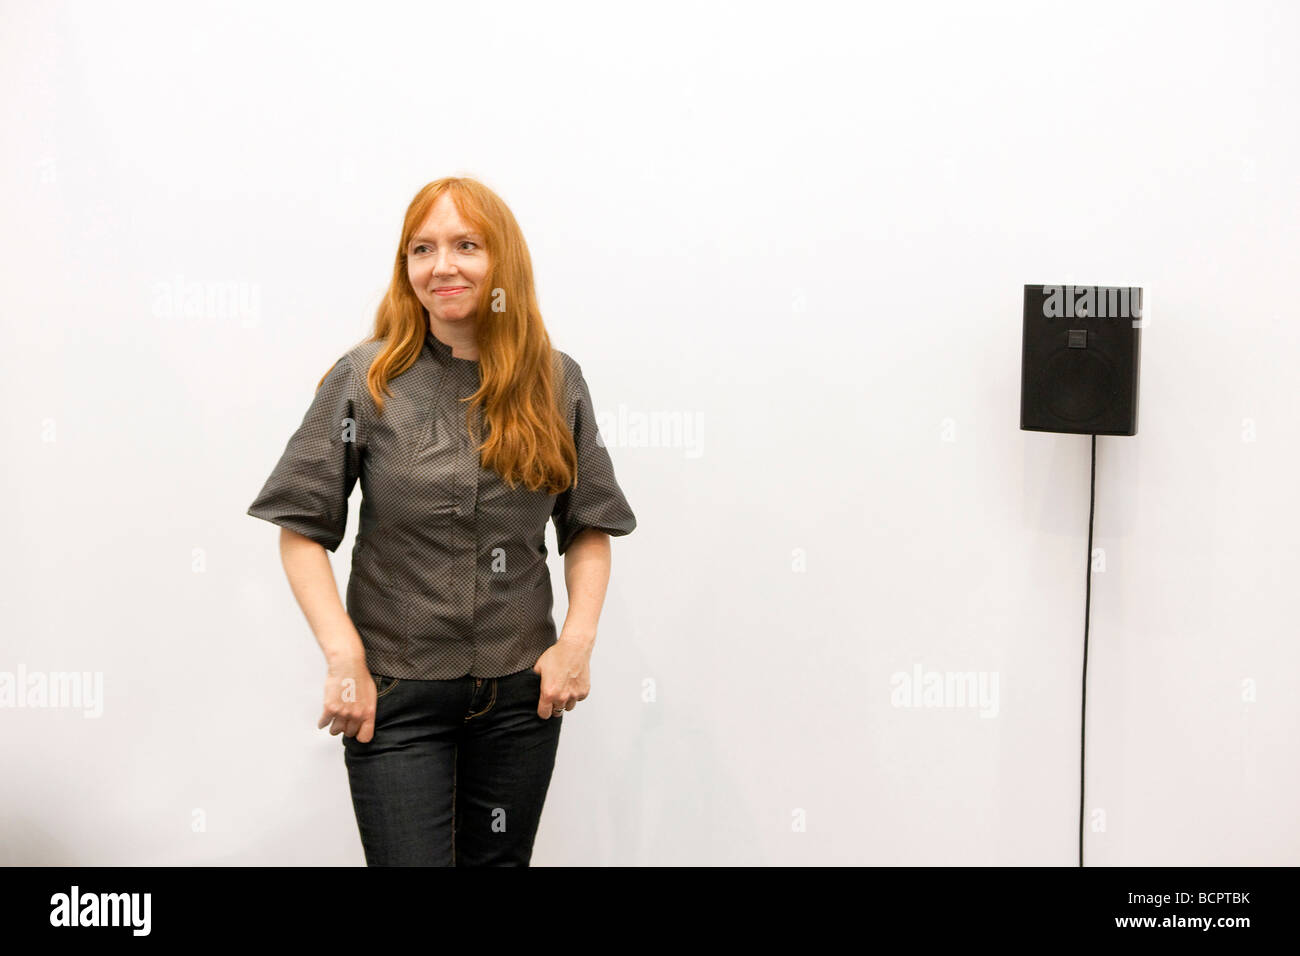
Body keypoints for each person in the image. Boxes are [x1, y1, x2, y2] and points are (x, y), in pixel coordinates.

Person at [246, 176, 637, 866]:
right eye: (421, 249)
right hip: (397, 698)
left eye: (465, 245)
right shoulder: (364, 381)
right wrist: (344, 656)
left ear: (502, 263)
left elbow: (588, 526)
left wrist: (576, 642)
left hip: (521, 702)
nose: (441, 266)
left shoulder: (557, 382)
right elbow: (302, 527)